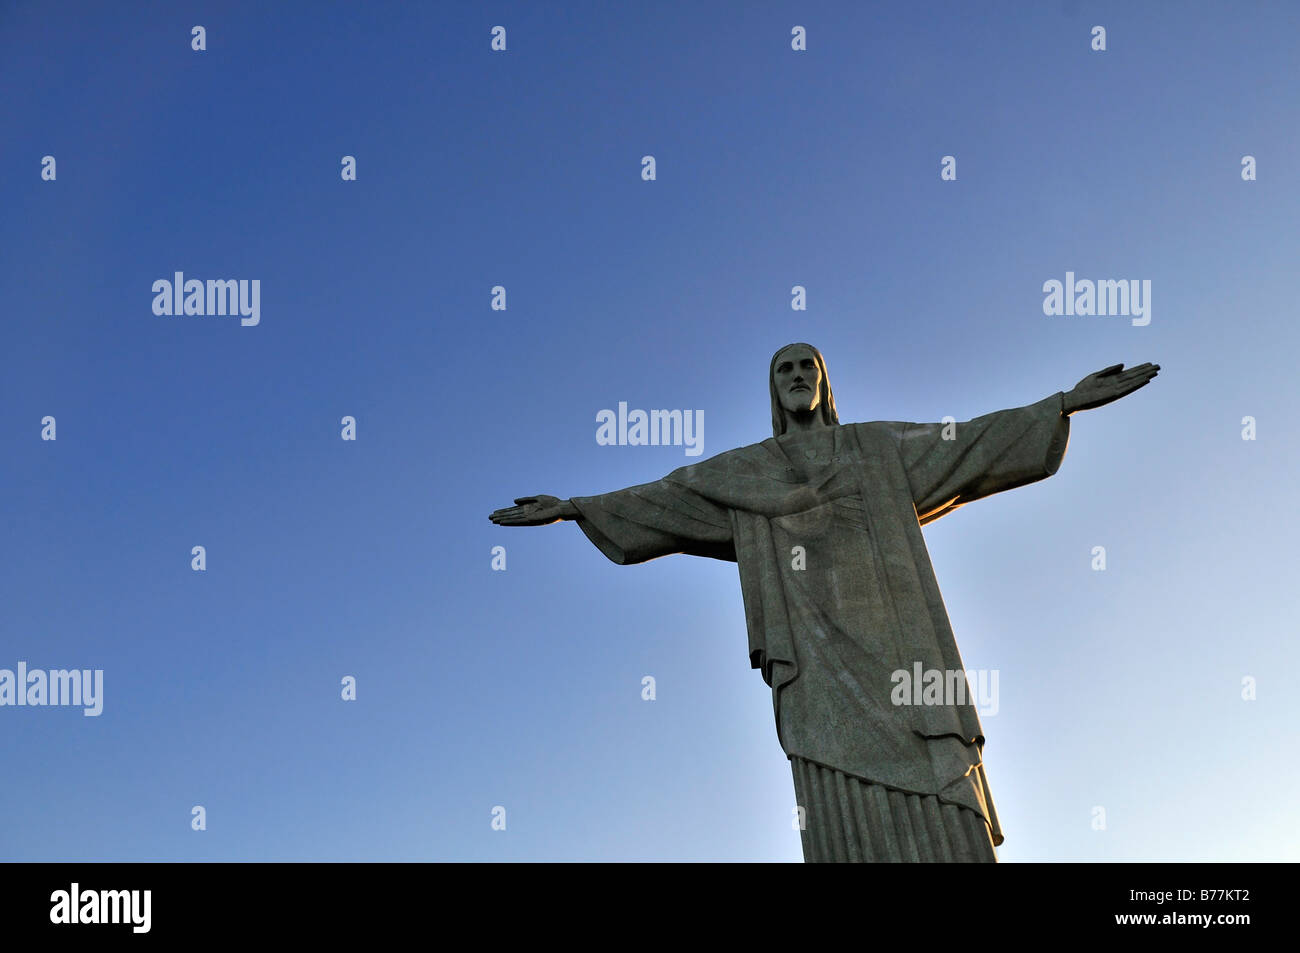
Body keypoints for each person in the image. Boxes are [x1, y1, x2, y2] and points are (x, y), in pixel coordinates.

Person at [489, 344, 1158, 862]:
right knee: (840, 801)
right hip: (816, 669)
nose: (798, 374)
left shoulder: (878, 448)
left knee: (940, 782)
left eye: (809, 364)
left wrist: (1061, 403)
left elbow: (971, 441)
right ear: (773, 390)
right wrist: (575, 507)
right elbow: (666, 498)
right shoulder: (741, 472)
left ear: (826, 382)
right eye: (785, 368)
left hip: (902, 650)